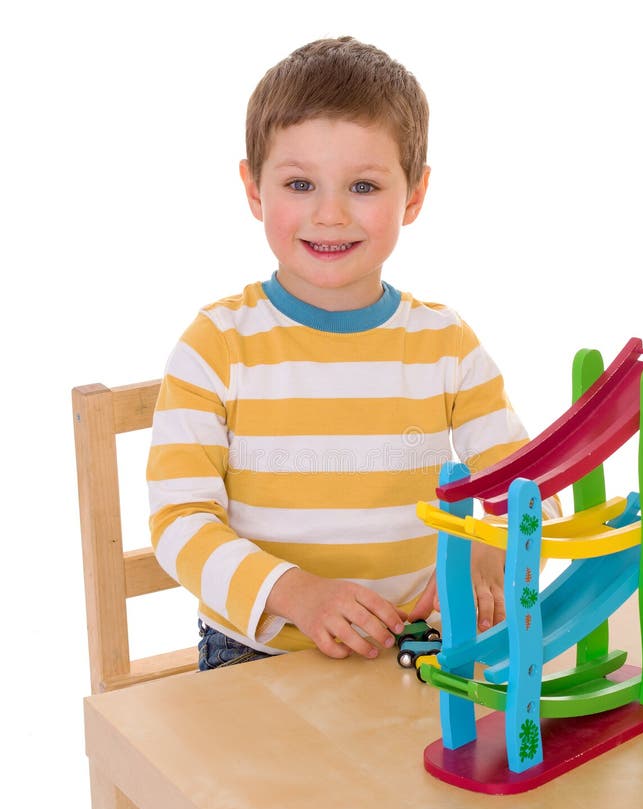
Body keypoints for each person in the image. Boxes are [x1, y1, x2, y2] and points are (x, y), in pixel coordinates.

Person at [147, 36, 559, 670]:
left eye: (363, 185)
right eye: (300, 183)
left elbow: (534, 485)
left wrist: (491, 556)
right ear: (254, 190)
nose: (331, 214)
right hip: (259, 650)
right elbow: (179, 523)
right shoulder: (215, 347)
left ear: (414, 195)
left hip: (421, 645)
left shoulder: (445, 344)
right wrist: (298, 595)